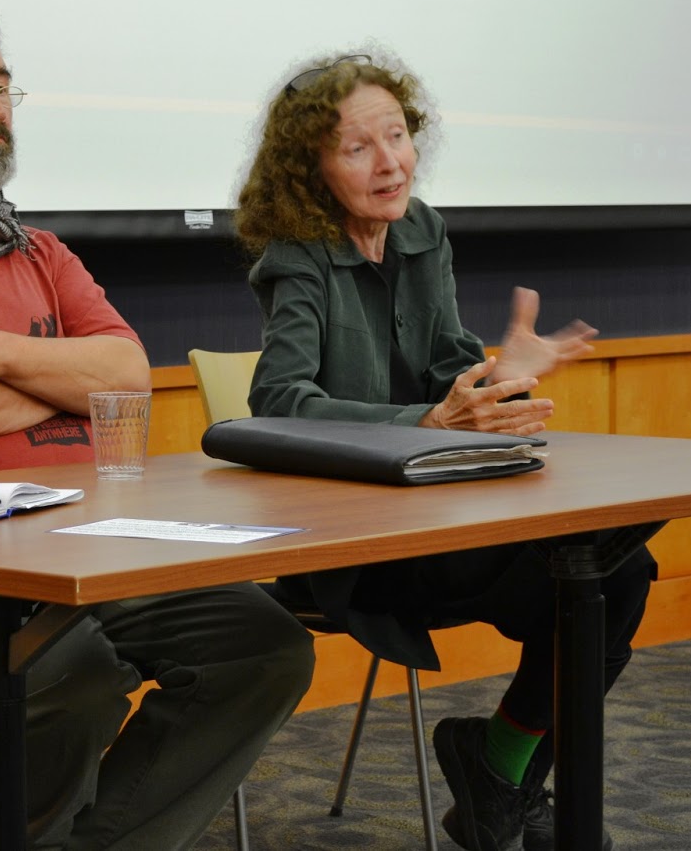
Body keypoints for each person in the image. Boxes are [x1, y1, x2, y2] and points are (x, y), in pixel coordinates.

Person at [0, 0, 315, 851]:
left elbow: (128, 378)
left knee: (262, 646)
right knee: (70, 675)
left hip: (89, 535)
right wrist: (65, 380)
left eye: (4, 86)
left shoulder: (38, 251)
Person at [233, 47, 655, 851]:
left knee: (615, 569)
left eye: (397, 135)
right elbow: (279, 403)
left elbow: (449, 378)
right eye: (359, 147)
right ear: (310, 169)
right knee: (591, 574)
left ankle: (499, 770)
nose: (391, 162)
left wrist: (504, 376)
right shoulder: (298, 256)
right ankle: (504, 778)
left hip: (449, 514)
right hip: (360, 545)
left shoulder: (422, 232)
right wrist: (424, 426)